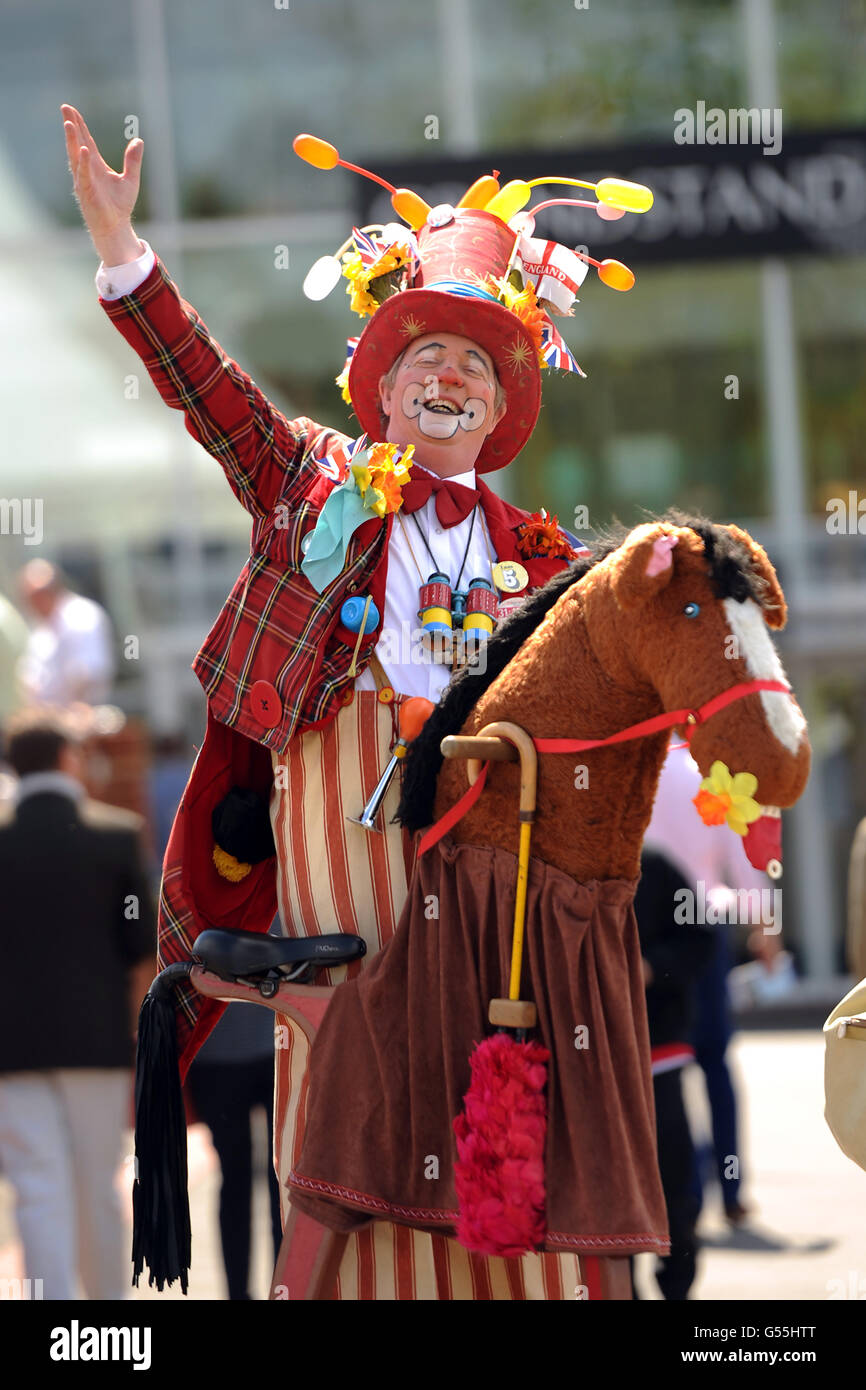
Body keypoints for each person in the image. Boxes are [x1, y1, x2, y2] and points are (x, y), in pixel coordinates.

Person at [62, 103, 647, 1299]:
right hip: (349, 872)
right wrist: (130, 261)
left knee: (500, 1142)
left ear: (497, 410)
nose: (448, 375)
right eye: (424, 354)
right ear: (381, 387)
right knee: (351, 1154)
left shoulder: (548, 560)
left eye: (474, 362)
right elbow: (212, 396)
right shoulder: (312, 484)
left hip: (495, 886)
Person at [0, 708, 155, 1300]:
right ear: (69, 760)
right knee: (98, 1186)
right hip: (99, 1039)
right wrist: (136, 1024)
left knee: (37, 1189)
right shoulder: (116, 835)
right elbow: (140, 946)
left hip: (12, 1046)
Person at [644, 736, 779, 1224]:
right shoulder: (712, 776)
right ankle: (730, 1187)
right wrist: (764, 927)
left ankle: (679, 1187)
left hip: (643, 937)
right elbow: (740, 856)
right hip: (704, 932)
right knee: (715, 1065)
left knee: (658, 1067)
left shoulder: (635, 766)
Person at [633, 847, 714, 1300]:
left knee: (674, 1179)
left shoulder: (657, 868)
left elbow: (700, 942)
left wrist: (650, 968)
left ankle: (678, 1287)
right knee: (605, 1187)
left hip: (657, 1051)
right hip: (587, 1065)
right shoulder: (565, 866)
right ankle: (618, 1287)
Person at [17, 559, 115, 707]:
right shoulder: (41, 627)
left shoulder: (81, 614)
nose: (31, 605)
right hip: (48, 718)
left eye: (36, 597)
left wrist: (77, 711)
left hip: (76, 719)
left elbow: (89, 671)